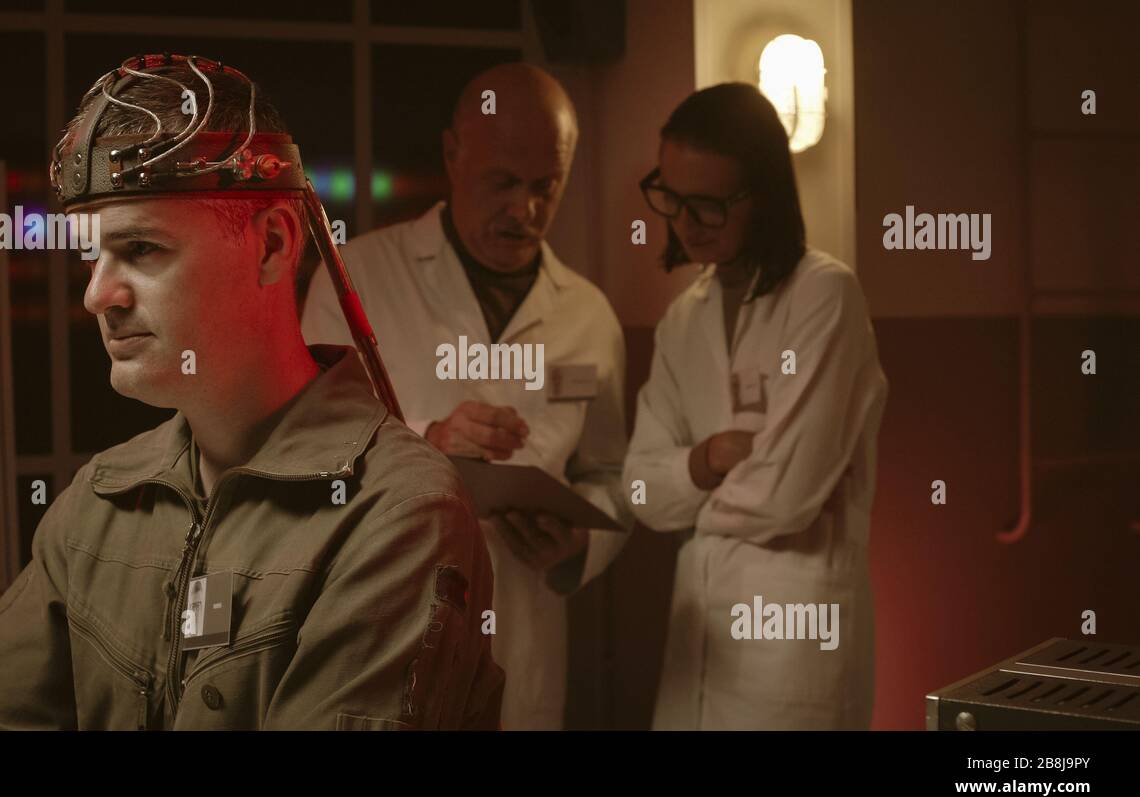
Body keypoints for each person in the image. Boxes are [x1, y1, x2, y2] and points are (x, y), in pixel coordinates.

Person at [0, 55, 503, 730]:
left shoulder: (395, 514)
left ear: (272, 246)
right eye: (92, 255)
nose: (96, 295)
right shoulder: (100, 503)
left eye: (141, 249)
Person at [301, 63, 630, 730]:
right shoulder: (356, 279)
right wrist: (426, 443)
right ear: (453, 154)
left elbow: (611, 473)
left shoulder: (590, 316)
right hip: (387, 645)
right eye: (503, 182)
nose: (524, 209)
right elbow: (301, 456)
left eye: (546, 187)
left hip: (530, 646)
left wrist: (579, 544)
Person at [623, 83, 888, 729]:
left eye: (709, 205)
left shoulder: (824, 295)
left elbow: (788, 495)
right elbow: (639, 488)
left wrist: (689, 488)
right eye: (671, 197)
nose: (686, 222)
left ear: (762, 195)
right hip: (698, 641)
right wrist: (714, 455)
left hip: (794, 643)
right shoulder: (682, 319)